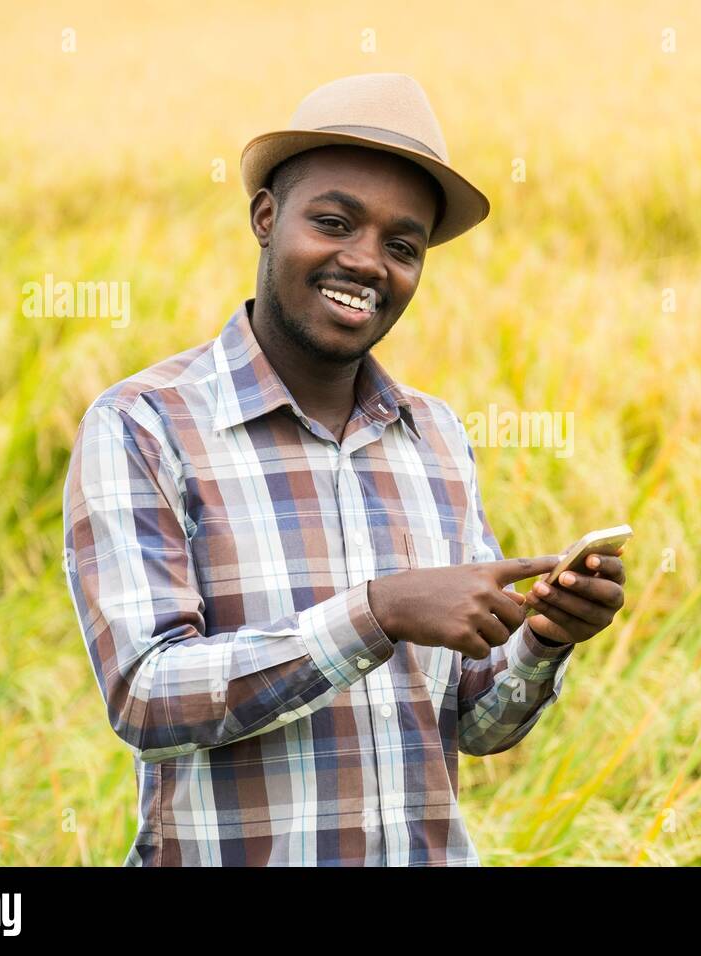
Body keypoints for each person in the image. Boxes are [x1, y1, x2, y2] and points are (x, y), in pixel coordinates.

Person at [62, 73, 627, 865]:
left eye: (403, 246)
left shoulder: (434, 436)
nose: (366, 264)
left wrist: (542, 639)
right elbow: (147, 697)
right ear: (266, 218)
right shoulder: (144, 426)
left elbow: (474, 725)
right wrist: (378, 611)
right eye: (333, 222)